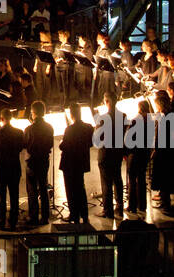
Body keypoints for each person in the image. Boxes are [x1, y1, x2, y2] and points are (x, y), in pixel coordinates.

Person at [0, 106, 23, 229]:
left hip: (1, 167)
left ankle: (1, 220)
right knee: (14, 194)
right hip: (14, 166)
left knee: (1, 196)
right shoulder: (19, 132)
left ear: (2, 118)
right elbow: (21, 147)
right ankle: (13, 220)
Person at [58, 102, 92, 224]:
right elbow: (91, 143)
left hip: (70, 163)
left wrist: (62, 141)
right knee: (80, 188)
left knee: (71, 190)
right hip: (81, 162)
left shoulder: (69, 129)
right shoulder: (88, 127)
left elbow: (63, 146)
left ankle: (74, 215)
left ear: (71, 114)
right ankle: (84, 215)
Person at [23, 100, 53, 226]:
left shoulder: (29, 129)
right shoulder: (49, 127)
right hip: (44, 160)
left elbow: (25, 145)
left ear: (33, 113)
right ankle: (45, 216)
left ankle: (33, 216)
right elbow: (51, 144)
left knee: (32, 190)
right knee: (43, 187)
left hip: (32, 161)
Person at [96, 91, 125, 219]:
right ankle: (119, 208)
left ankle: (107, 211)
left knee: (106, 182)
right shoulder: (123, 116)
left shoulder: (103, 118)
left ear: (107, 102)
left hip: (106, 153)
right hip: (117, 152)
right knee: (117, 179)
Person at [126, 98, 153, 214]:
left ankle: (132, 205)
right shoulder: (151, 120)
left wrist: (125, 152)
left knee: (132, 179)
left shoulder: (136, 120)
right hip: (145, 152)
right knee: (141, 178)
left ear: (139, 108)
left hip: (135, 153)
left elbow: (128, 138)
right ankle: (142, 205)